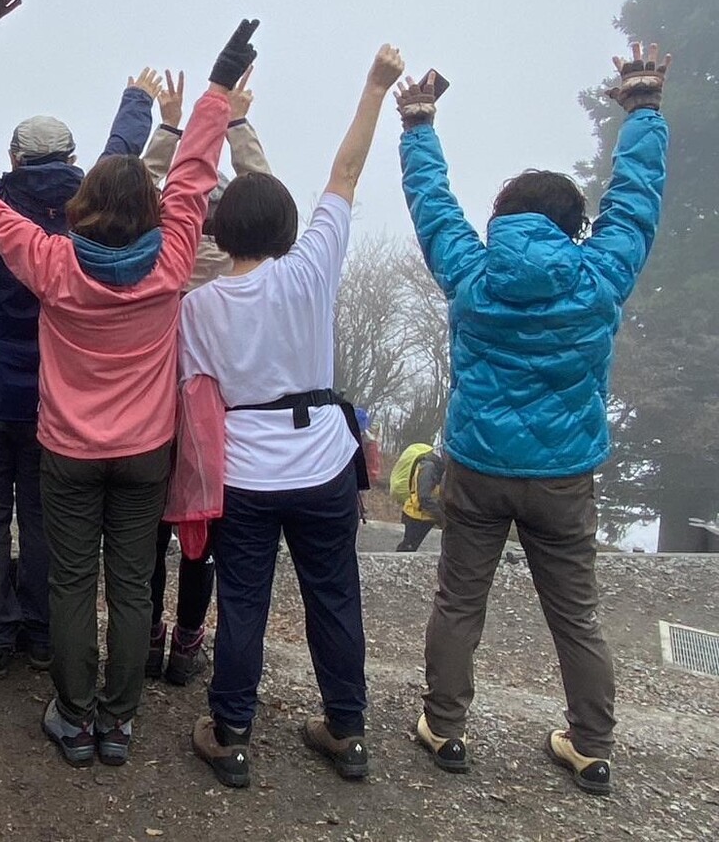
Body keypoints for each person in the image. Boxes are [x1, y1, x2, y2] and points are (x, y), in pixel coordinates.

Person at [0, 19, 261, 769]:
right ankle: (119, 722)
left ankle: (74, 719)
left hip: (69, 451)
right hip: (145, 451)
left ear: (81, 209)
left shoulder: (54, 263)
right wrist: (217, 84)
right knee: (132, 584)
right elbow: (195, 174)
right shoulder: (173, 259)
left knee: (73, 582)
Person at [403, 44, 671, 797]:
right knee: (577, 614)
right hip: (563, 473)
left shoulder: (473, 271)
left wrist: (419, 124)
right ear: (573, 225)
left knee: (460, 599)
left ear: (505, 217)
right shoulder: (600, 273)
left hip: (480, 467)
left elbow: (433, 205)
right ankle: (590, 746)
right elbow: (636, 200)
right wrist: (644, 107)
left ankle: (445, 727)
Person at [184, 44, 405, 789]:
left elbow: (197, 395)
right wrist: (374, 86)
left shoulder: (200, 306)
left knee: (243, 598)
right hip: (322, 466)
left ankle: (231, 731)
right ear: (285, 228)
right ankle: (346, 729)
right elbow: (344, 174)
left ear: (218, 232)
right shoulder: (311, 270)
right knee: (333, 591)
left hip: (246, 470)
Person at [0, 60, 161, 679]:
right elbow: (122, 153)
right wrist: (137, 99)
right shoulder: (91, 213)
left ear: (13, 157)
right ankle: (41, 636)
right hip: (53, 405)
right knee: (42, 525)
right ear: (72, 158)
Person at [140, 70, 272, 686]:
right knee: (201, 535)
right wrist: (238, 123)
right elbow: (266, 195)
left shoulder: (162, 256)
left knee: (150, 532)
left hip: (153, 408)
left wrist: (169, 125)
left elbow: (134, 190)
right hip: (221, 423)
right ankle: (189, 639)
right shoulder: (252, 273)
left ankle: (146, 632)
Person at [392, 443, 444, 552]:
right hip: (417, 515)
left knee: (409, 547)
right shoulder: (429, 467)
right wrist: (443, 515)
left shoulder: (435, 465)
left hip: (426, 514)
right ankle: (398, 566)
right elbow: (424, 497)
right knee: (407, 549)